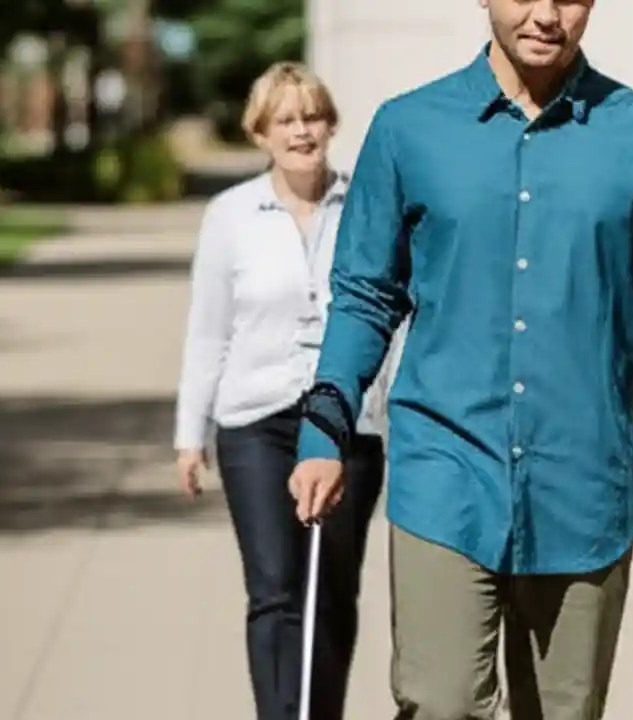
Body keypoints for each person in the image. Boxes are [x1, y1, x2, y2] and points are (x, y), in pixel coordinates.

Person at [289, 0, 633, 716]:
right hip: (445, 473)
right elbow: (366, 296)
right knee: (439, 703)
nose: (545, 15)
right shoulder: (409, 129)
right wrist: (324, 428)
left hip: (583, 483)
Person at [173, 61, 393, 720]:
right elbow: (208, 331)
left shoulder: (367, 205)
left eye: (313, 116)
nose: (302, 131)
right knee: (275, 588)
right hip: (256, 425)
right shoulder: (231, 216)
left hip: (346, 424)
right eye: (286, 120)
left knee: (330, 590)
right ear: (261, 133)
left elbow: (397, 314)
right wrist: (191, 434)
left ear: (331, 124)